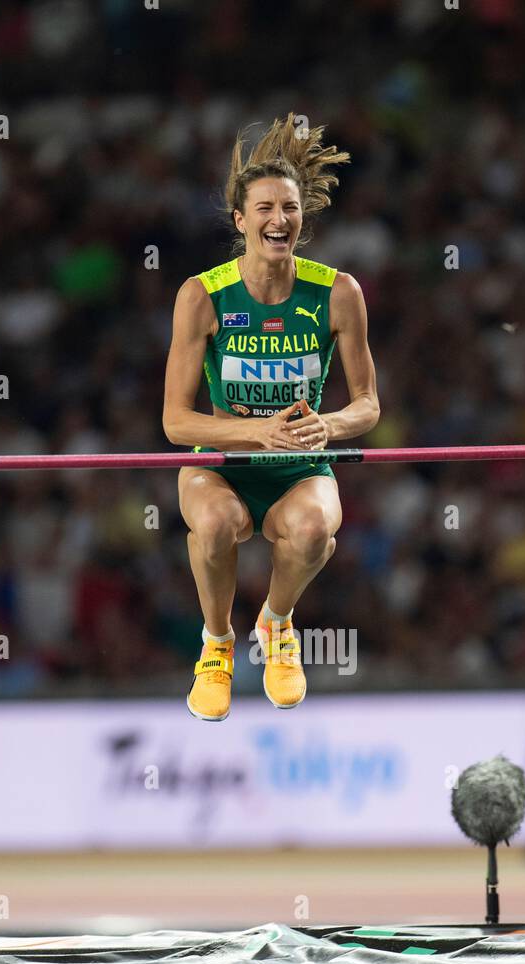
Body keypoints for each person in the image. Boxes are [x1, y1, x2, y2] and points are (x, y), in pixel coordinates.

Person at [163, 114, 380, 720]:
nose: (277, 219)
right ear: (241, 220)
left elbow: (368, 404)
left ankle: (277, 625)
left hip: (301, 465)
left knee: (313, 530)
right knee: (213, 524)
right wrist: (254, 431)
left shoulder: (338, 293)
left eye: (288, 207)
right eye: (263, 208)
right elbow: (176, 423)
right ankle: (216, 646)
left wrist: (330, 425)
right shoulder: (201, 296)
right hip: (225, 464)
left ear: (302, 219)